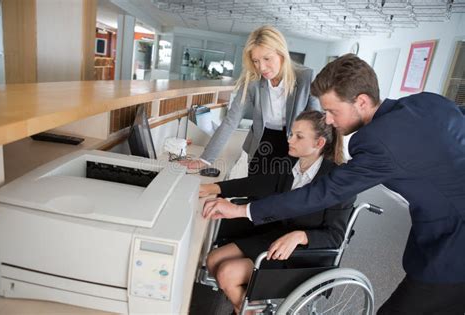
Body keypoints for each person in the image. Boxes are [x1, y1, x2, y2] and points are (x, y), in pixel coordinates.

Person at [202, 54, 465, 314]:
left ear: (361, 101)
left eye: (332, 111)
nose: (328, 120)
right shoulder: (427, 103)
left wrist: (241, 210)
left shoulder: (378, 142)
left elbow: (323, 193)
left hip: (453, 249)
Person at [200, 111, 355, 315]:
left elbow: (336, 237)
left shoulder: (337, 181)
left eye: (299, 136)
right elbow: (257, 184)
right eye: (291, 133)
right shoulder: (291, 164)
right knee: (213, 260)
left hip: (305, 254)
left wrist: (300, 236)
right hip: (277, 238)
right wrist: (214, 188)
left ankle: (248, 310)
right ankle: (250, 310)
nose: (289, 139)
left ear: (319, 143)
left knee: (227, 273)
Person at [180, 25, 319, 175]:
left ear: (281, 54)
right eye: (256, 61)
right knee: (255, 190)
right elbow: (231, 120)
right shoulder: (252, 80)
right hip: (261, 140)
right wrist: (205, 160)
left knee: (281, 193)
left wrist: (315, 160)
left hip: (294, 142)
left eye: (267, 59)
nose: (262, 67)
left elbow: (317, 123)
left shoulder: (305, 78)